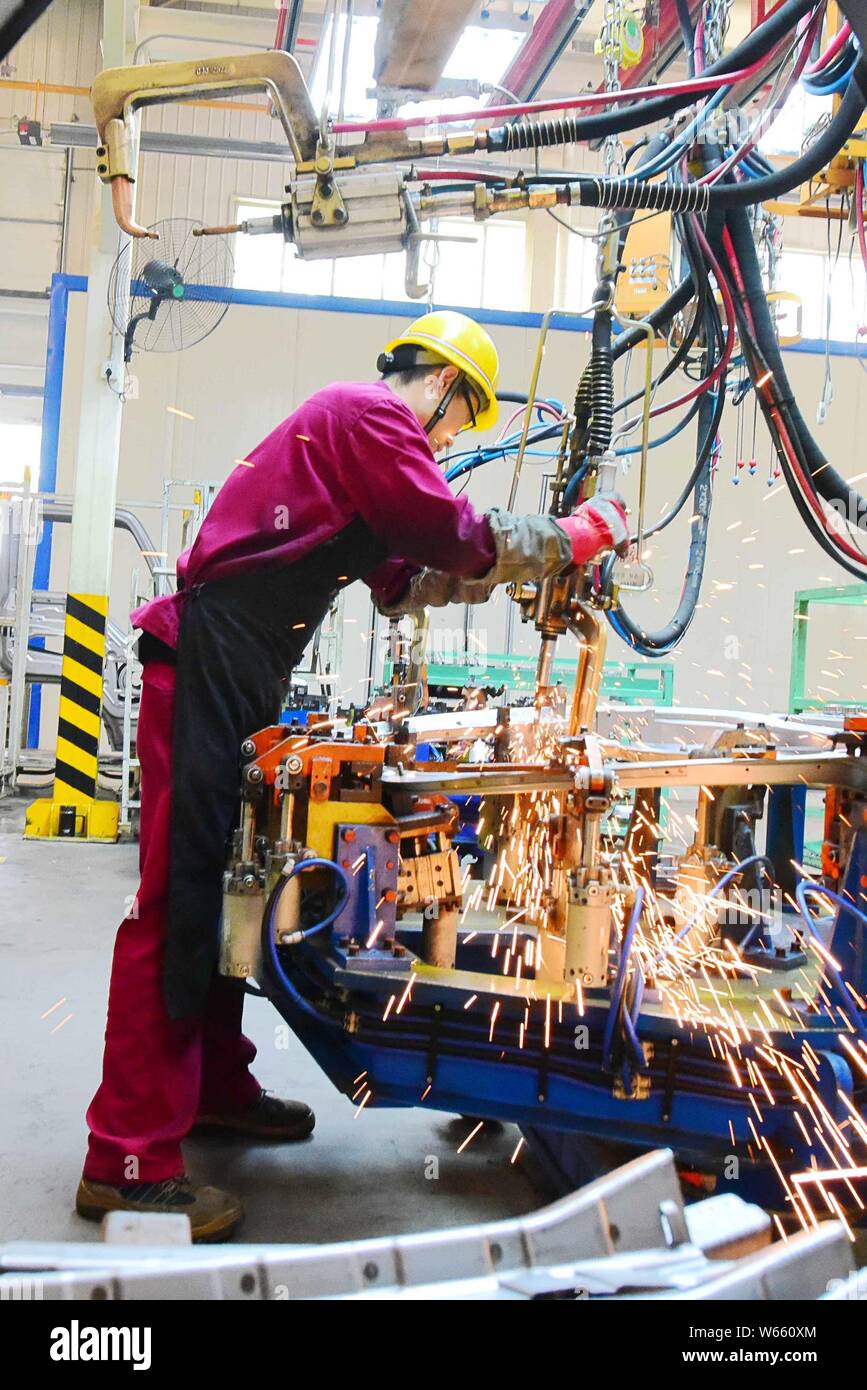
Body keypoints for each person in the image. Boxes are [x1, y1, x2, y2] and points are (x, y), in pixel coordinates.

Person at [76, 310, 629, 1241]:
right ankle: (126, 1159)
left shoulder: (354, 449)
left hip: (240, 666)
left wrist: (521, 563)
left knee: (217, 896)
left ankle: (211, 1087)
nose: (450, 437)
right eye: (458, 420)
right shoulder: (369, 416)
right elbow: (457, 534)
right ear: (442, 384)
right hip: (209, 658)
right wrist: (574, 535)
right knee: (176, 902)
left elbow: (412, 577)